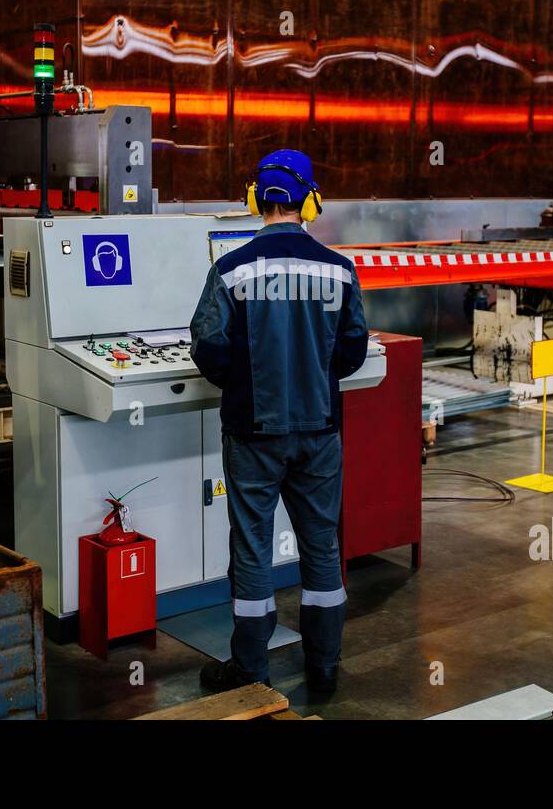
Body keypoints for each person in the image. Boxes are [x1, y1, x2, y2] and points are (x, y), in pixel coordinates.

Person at [189, 148, 370, 695]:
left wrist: (245, 386)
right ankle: (324, 667)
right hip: (319, 432)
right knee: (320, 546)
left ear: (255, 200)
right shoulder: (339, 271)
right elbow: (354, 349)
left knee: (252, 548)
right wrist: (314, 373)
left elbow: (208, 347)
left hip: (252, 434)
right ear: (310, 202)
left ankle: (251, 669)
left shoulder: (231, 269)